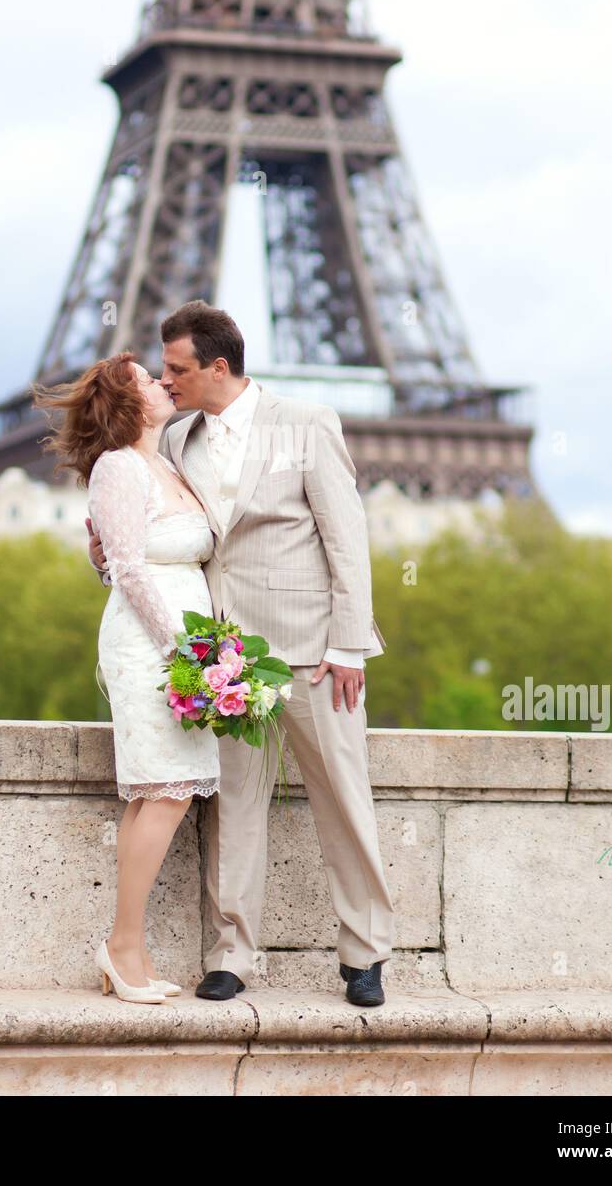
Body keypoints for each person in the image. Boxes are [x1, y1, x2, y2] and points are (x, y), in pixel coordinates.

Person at [87, 300, 395, 1007]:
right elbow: (145, 541)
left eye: (176, 369)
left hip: (312, 649)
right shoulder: (174, 438)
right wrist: (101, 551)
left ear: (216, 367)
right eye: (160, 372)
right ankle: (233, 950)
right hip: (216, 657)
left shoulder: (306, 424)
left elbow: (346, 537)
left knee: (344, 796)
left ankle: (364, 953)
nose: (166, 382)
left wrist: (349, 643)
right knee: (231, 808)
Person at [32, 352, 217, 1004]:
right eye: (146, 379)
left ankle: (129, 950)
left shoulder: (167, 464)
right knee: (162, 789)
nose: (162, 383)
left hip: (187, 643)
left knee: (161, 792)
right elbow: (129, 570)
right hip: (150, 644)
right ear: (126, 401)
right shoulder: (117, 467)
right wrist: (183, 653)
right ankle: (121, 945)